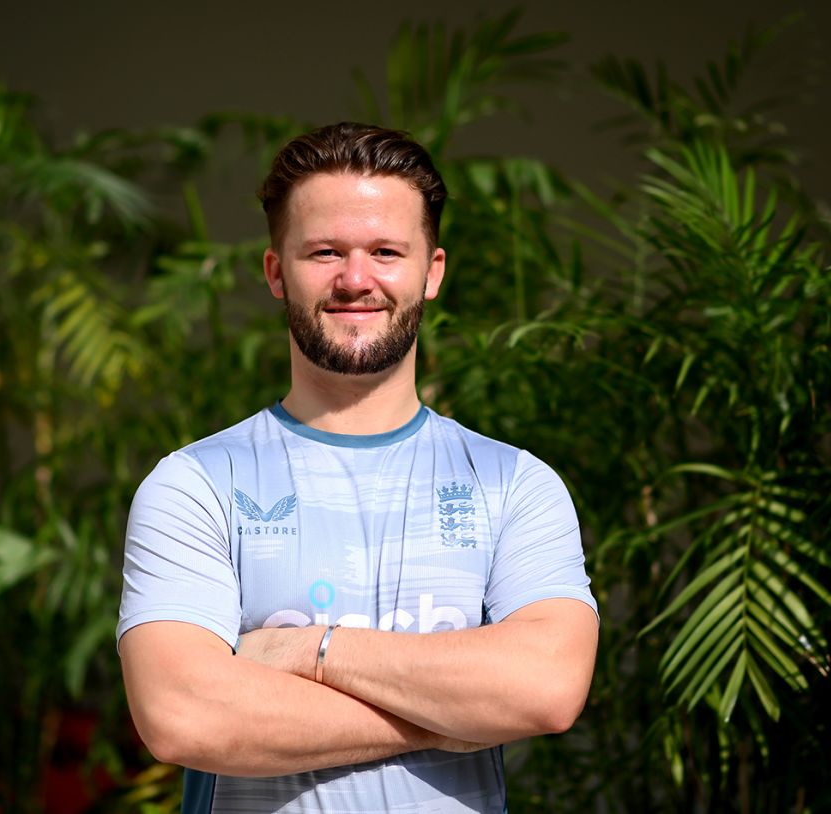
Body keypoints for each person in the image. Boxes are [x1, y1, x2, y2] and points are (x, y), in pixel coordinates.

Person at [117, 122, 599, 814]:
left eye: (385, 251)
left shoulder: (514, 485)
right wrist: (452, 718)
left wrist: (311, 651)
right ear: (276, 272)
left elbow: (545, 688)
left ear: (432, 271)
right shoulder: (195, 486)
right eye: (324, 252)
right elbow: (184, 716)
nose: (355, 279)